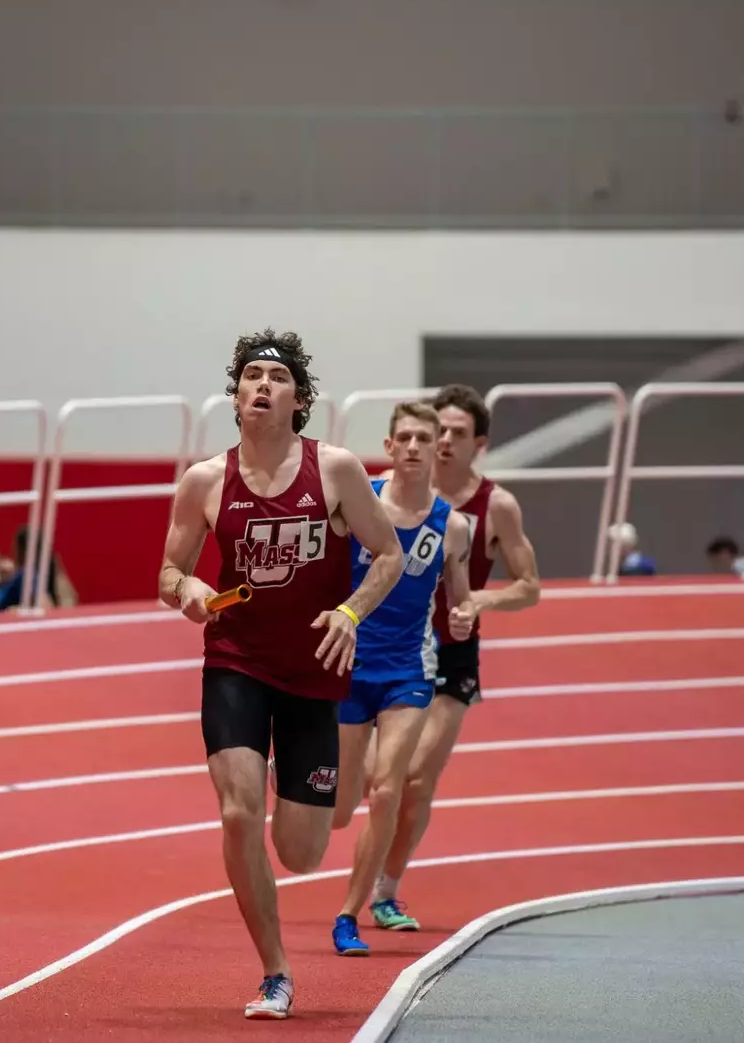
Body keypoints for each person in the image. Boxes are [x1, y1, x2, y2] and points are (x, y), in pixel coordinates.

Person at [157, 329, 404, 1021]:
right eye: (251, 375)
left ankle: (284, 772)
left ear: (300, 400)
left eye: (278, 377)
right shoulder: (205, 481)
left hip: (311, 673)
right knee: (239, 813)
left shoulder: (336, 471)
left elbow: (387, 555)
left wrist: (352, 614)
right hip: (236, 663)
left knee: (300, 853)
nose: (262, 385)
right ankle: (275, 973)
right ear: (235, 394)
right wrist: (189, 593)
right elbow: (169, 572)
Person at [370, 383, 541, 932]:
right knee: (372, 780)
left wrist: (478, 600)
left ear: (480, 444)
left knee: (416, 779)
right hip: (386, 647)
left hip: (451, 654)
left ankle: (386, 891)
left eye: (457, 434)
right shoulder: (386, 493)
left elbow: (529, 585)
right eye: (437, 430)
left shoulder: (497, 507)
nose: (442, 441)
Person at [329, 401, 476, 957]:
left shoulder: (453, 527)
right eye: (404, 438)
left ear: (437, 446)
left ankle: (349, 915)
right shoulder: (355, 502)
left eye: (424, 438)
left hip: (409, 670)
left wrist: (464, 616)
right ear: (389, 448)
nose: (414, 447)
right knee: (341, 809)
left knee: (388, 789)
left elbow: (459, 606)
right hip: (347, 661)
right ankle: (290, 766)